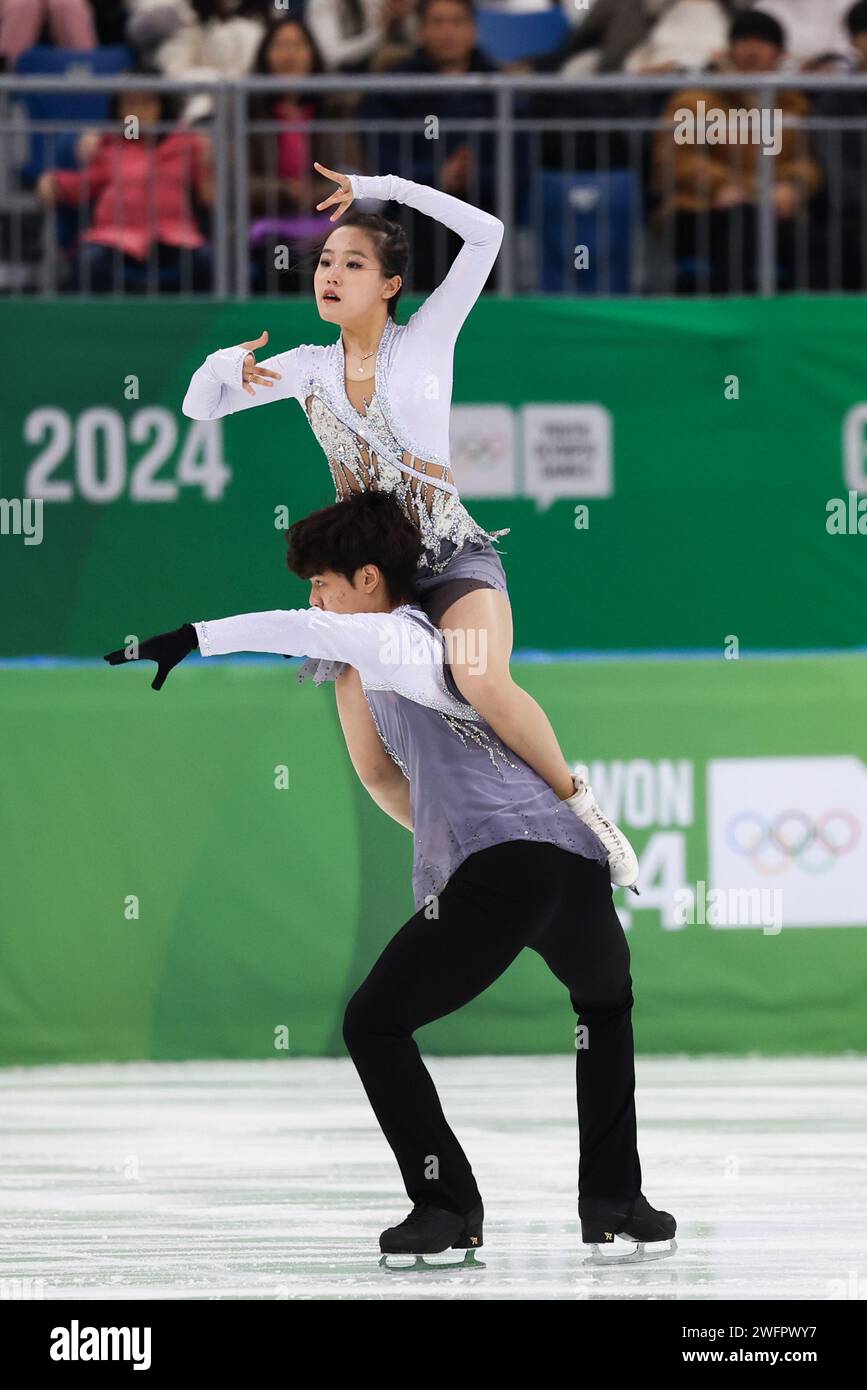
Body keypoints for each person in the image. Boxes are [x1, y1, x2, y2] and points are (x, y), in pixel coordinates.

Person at [103, 489, 677, 1264]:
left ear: (369, 578)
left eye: (322, 583)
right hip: (569, 864)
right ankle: (613, 1200)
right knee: (603, 1005)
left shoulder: (404, 636)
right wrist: (459, 835)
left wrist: (194, 636)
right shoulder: (369, 658)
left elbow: (319, 667)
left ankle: (446, 1206)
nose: (313, 598)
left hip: (507, 869)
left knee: (373, 1023)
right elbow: (380, 777)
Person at [181, 162, 639, 887]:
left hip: (450, 558)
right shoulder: (304, 367)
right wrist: (218, 364)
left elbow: (485, 233)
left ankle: (583, 814)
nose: (330, 274)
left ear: (391, 285)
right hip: (368, 585)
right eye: (325, 262)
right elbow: (200, 408)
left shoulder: (427, 340)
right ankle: (472, 852)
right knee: (371, 767)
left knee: (482, 680)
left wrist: (385, 186)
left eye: (353, 263)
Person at [652, 9, 822, 293]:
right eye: (743, 41)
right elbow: (674, 159)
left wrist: (792, 185)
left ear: (780, 53)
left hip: (770, 211)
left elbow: (808, 161)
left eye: (763, 42)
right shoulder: (694, 100)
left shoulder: (795, 104)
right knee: (743, 224)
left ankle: (803, 328)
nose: (752, 50)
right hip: (698, 210)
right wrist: (721, 185)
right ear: (729, 49)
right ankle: (732, 326)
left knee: (818, 242)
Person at [37, 79, 213, 293]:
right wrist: (54, 183)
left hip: (174, 235)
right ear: (119, 111)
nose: (138, 113)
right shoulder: (110, 146)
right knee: (88, 261)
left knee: (207, 261)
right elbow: (85, 183)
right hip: (115, 236)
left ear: (162, 106)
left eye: (146, 103)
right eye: (130, 105)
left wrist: (208, 159)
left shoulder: (187, 144)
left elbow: (209, 195)